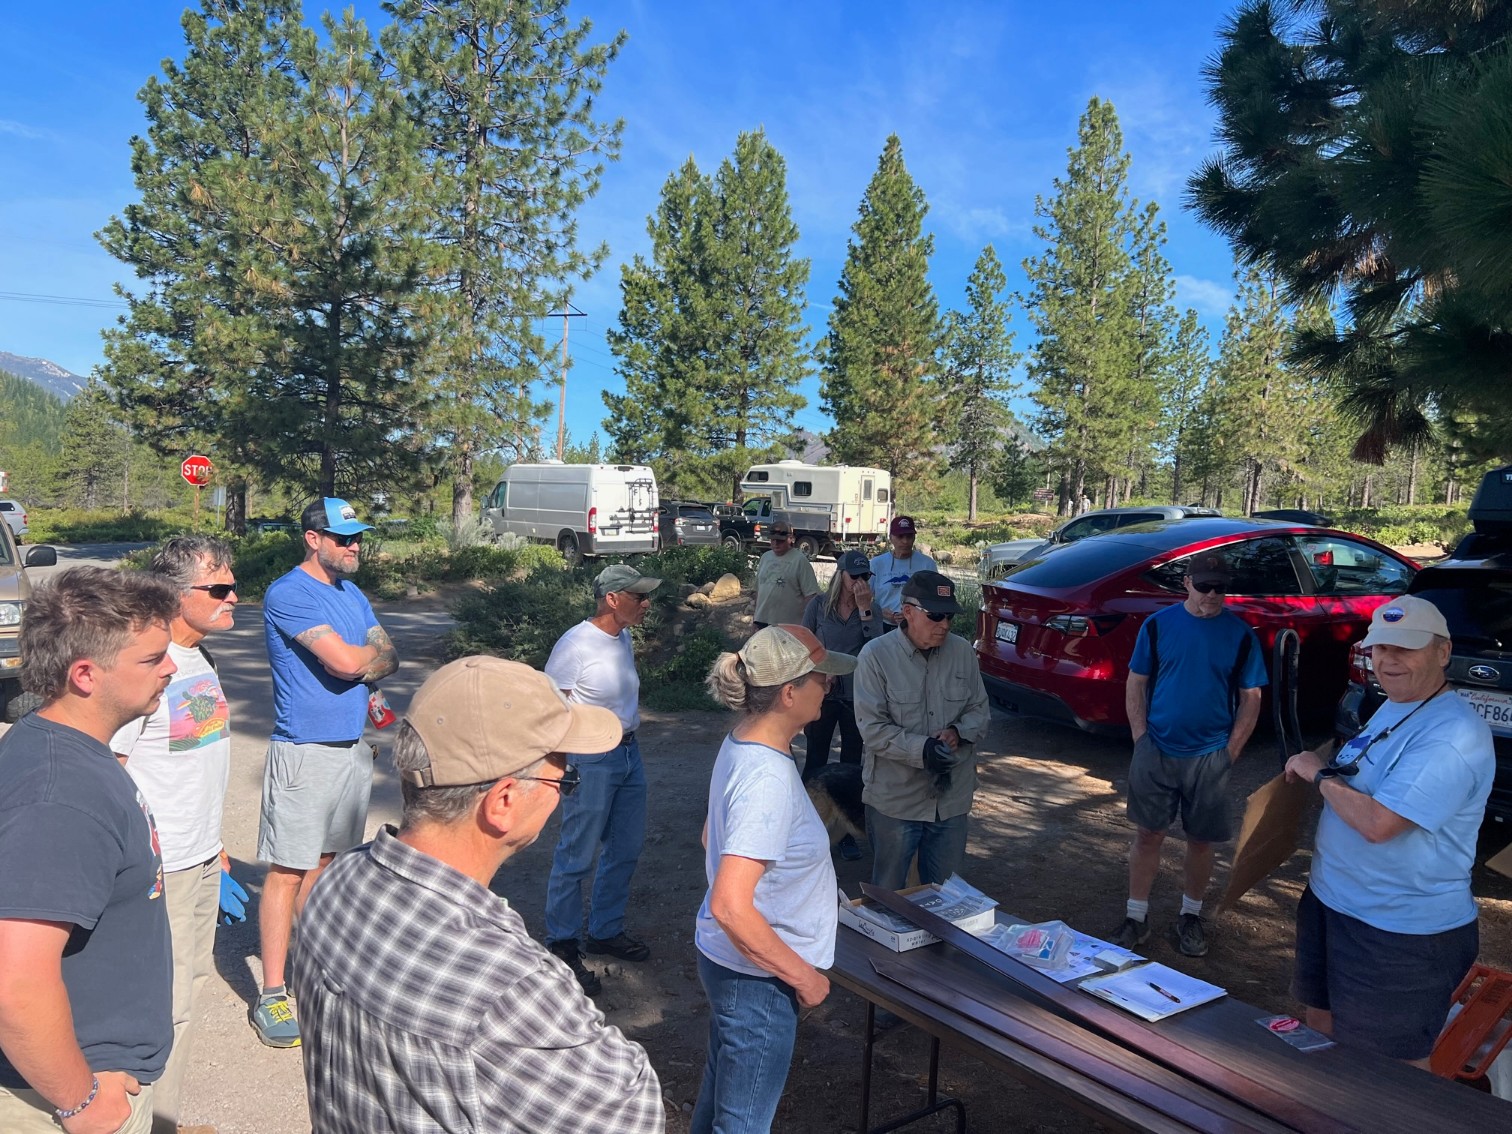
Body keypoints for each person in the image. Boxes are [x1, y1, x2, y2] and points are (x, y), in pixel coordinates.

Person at [290, 656, 665, 1133]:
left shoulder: (334, 885)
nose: (563, 793)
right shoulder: (512, 986)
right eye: (564, 779)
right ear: (504, 801)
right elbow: (631, 1118)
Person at [0, 567, 179, 1134]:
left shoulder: (61, 747)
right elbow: (13, 981)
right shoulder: (61, 796)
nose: (171, 668)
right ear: (84, 674)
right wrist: (83, 1104)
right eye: (153, 659)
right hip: (58, 1094)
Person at [1284, 596, 1493, 1066]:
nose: (1388, 661)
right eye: (1380, 649)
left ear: (1443, 652)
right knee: (1321, 1027)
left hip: (1397, 932)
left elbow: (1380, 825)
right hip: (1334, 903)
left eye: (1406, 648)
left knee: (1390, 1073)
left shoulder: (1452, 735)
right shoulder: (1399, 703)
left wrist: (1319, 774)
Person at [693, 625, 854, 1134]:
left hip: (733, 966)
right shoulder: (766, 777)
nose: (829, 688)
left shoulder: (744, 742)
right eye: (821, 680)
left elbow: (708, 838)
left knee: (719, 1102)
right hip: (757, 979)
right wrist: (804, 978)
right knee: (742, 1125)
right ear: (789, 693)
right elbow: (732, 906)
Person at [253, 497, 398, 1048]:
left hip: (351, 748)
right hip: (304, 750)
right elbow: (345, 662)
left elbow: (388, 654)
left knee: (326, 866)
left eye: (358, 537)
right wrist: (365, 659)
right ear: (313, 539)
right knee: (289, 870)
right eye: (343, 538)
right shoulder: (289, 593)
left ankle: (310, 975)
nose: (355, 545)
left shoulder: (351, 592)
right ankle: (272, 994)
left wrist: (367, 660)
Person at [111, 537, 245, 1134]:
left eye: (232, 585)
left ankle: (161, 1120)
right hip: (154, 871)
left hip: (198, 862)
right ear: (173, 594)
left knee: (185, 1001)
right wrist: (136, 865)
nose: (232, 597)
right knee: (150, 1013)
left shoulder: (199, 659)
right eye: (217, 589)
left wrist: (214, 846)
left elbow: (196, 762)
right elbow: (109, 772)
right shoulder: (143, 664)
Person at [1116, 552, 1266, 957]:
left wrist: (1230, 752)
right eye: (1205, 587)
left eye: (1220, 588)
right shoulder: (1159, 626)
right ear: (1187, 583)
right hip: (1158, 749)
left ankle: (1191, 915)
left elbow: (1251, 696)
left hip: (1210, 755)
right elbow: (1136, 681)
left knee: (1201, 840)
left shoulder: (1239, 634)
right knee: (1148, 834)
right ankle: (1136, 916)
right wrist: (1140, 738)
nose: (1213, 595)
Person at [543, 564, 661, 995]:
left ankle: (605, 930)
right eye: (639, 596)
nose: (646, 603)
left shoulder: (623, 636)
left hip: (629, 752)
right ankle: (562, 944)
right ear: (612, 599)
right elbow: (550, 706)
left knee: (625, 849)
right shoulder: (575, 644)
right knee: (575, 855)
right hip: (590, 758)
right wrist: (560, 764)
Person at [853, 571, 990, 890]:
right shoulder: (875, 657)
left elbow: (980, 710)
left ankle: (938, 942)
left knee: (946, 894)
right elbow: (872, 728)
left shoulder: (963, 653)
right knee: (889, 894)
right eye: (936, 615)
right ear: (908, 611)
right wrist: (922, 750)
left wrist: (958, 731)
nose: (945, 625)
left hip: (951, 800)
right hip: (897, 799)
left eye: (950, 616)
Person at [800, 550, 881, 861]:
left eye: (864, 577)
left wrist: (865, 611)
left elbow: (876, 645)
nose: (858, 582)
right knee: (816, 756)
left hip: (856, 694)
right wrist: (820, 672)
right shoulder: (819, 606)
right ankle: (805, 826)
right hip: (823, 690)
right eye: (854, 576)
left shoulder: (870, 607)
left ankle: (846, 829)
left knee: (851, 760)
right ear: (840, 575)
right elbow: (804, 644)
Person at [868, 516, 937, 627]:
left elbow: (935, 598)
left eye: (909, 536)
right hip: (884, 626)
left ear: (914, 538)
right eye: (900, 536)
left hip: (917, 627)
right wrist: (880, 612)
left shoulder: (927, 564)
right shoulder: (876, 564)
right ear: (890, 538)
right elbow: (864, 598)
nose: (905, 541)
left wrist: (914, 613)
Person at [752, 520, 820, 630]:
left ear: (790, 539)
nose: (775, 543)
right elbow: (759, 591)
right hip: (762, 621)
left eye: (780, 540)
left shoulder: (800, 561)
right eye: (773, 540)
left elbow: (811, 596)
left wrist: (806, 625)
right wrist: (755, 618)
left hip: (788, 625)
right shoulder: (765, 557)